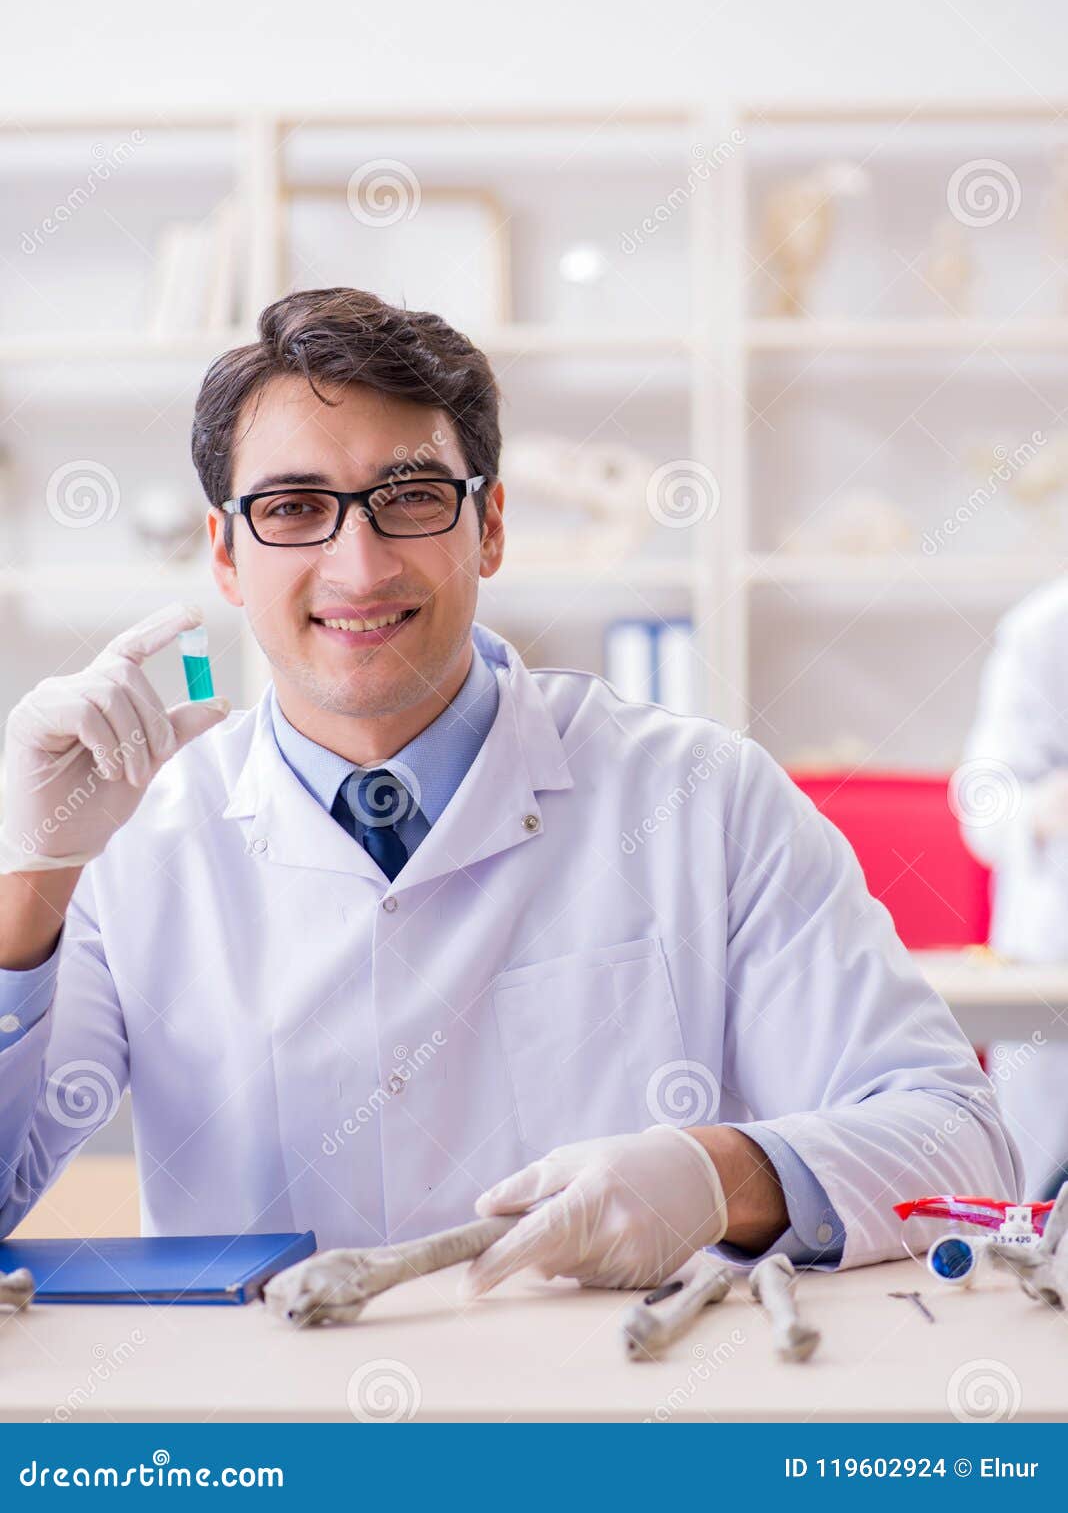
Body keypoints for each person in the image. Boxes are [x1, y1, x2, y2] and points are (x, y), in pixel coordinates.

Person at [0, 288, 1019, 1293]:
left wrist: (721, 1175)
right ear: (226, 552)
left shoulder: (704, 798)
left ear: (488, 526)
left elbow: (964, 1146)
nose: (357, 566)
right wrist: (27, 889)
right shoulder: (133, 836)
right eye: (295, 508)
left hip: (620, 1427)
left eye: (408, 497)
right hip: (270, 1441)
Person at [959, 576, 1068, 1198]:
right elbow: (984, 815)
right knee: (1036, 1216)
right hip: (1053, 961)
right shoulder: (1043, 631)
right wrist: (1050, 804)